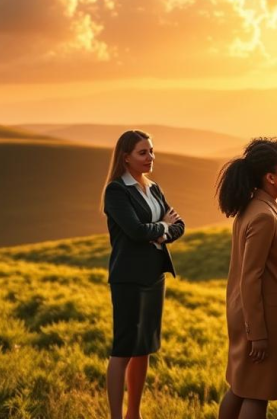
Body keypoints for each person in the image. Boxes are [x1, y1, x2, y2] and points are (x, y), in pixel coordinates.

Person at [102, 130, 185, 419]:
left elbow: (179, 225)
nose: (150, 157)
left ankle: (133, 413)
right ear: (126, 157)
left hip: (154, 277)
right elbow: (136, 231)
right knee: (124, 348)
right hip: (128, 279)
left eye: (151, 151)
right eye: (143, 152)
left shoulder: (154, 188)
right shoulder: (116, 191)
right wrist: (162, 227)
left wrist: (161, 232)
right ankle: (116, 416)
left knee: (144, 348)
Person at [216, 138, 277, 419]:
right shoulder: (264, 216)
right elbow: (250, 277)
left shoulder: (256, 207)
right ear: (270, 177)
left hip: (249, 312)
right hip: (262, 316)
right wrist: (258, 334)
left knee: (241, 387)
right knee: (257, 393)